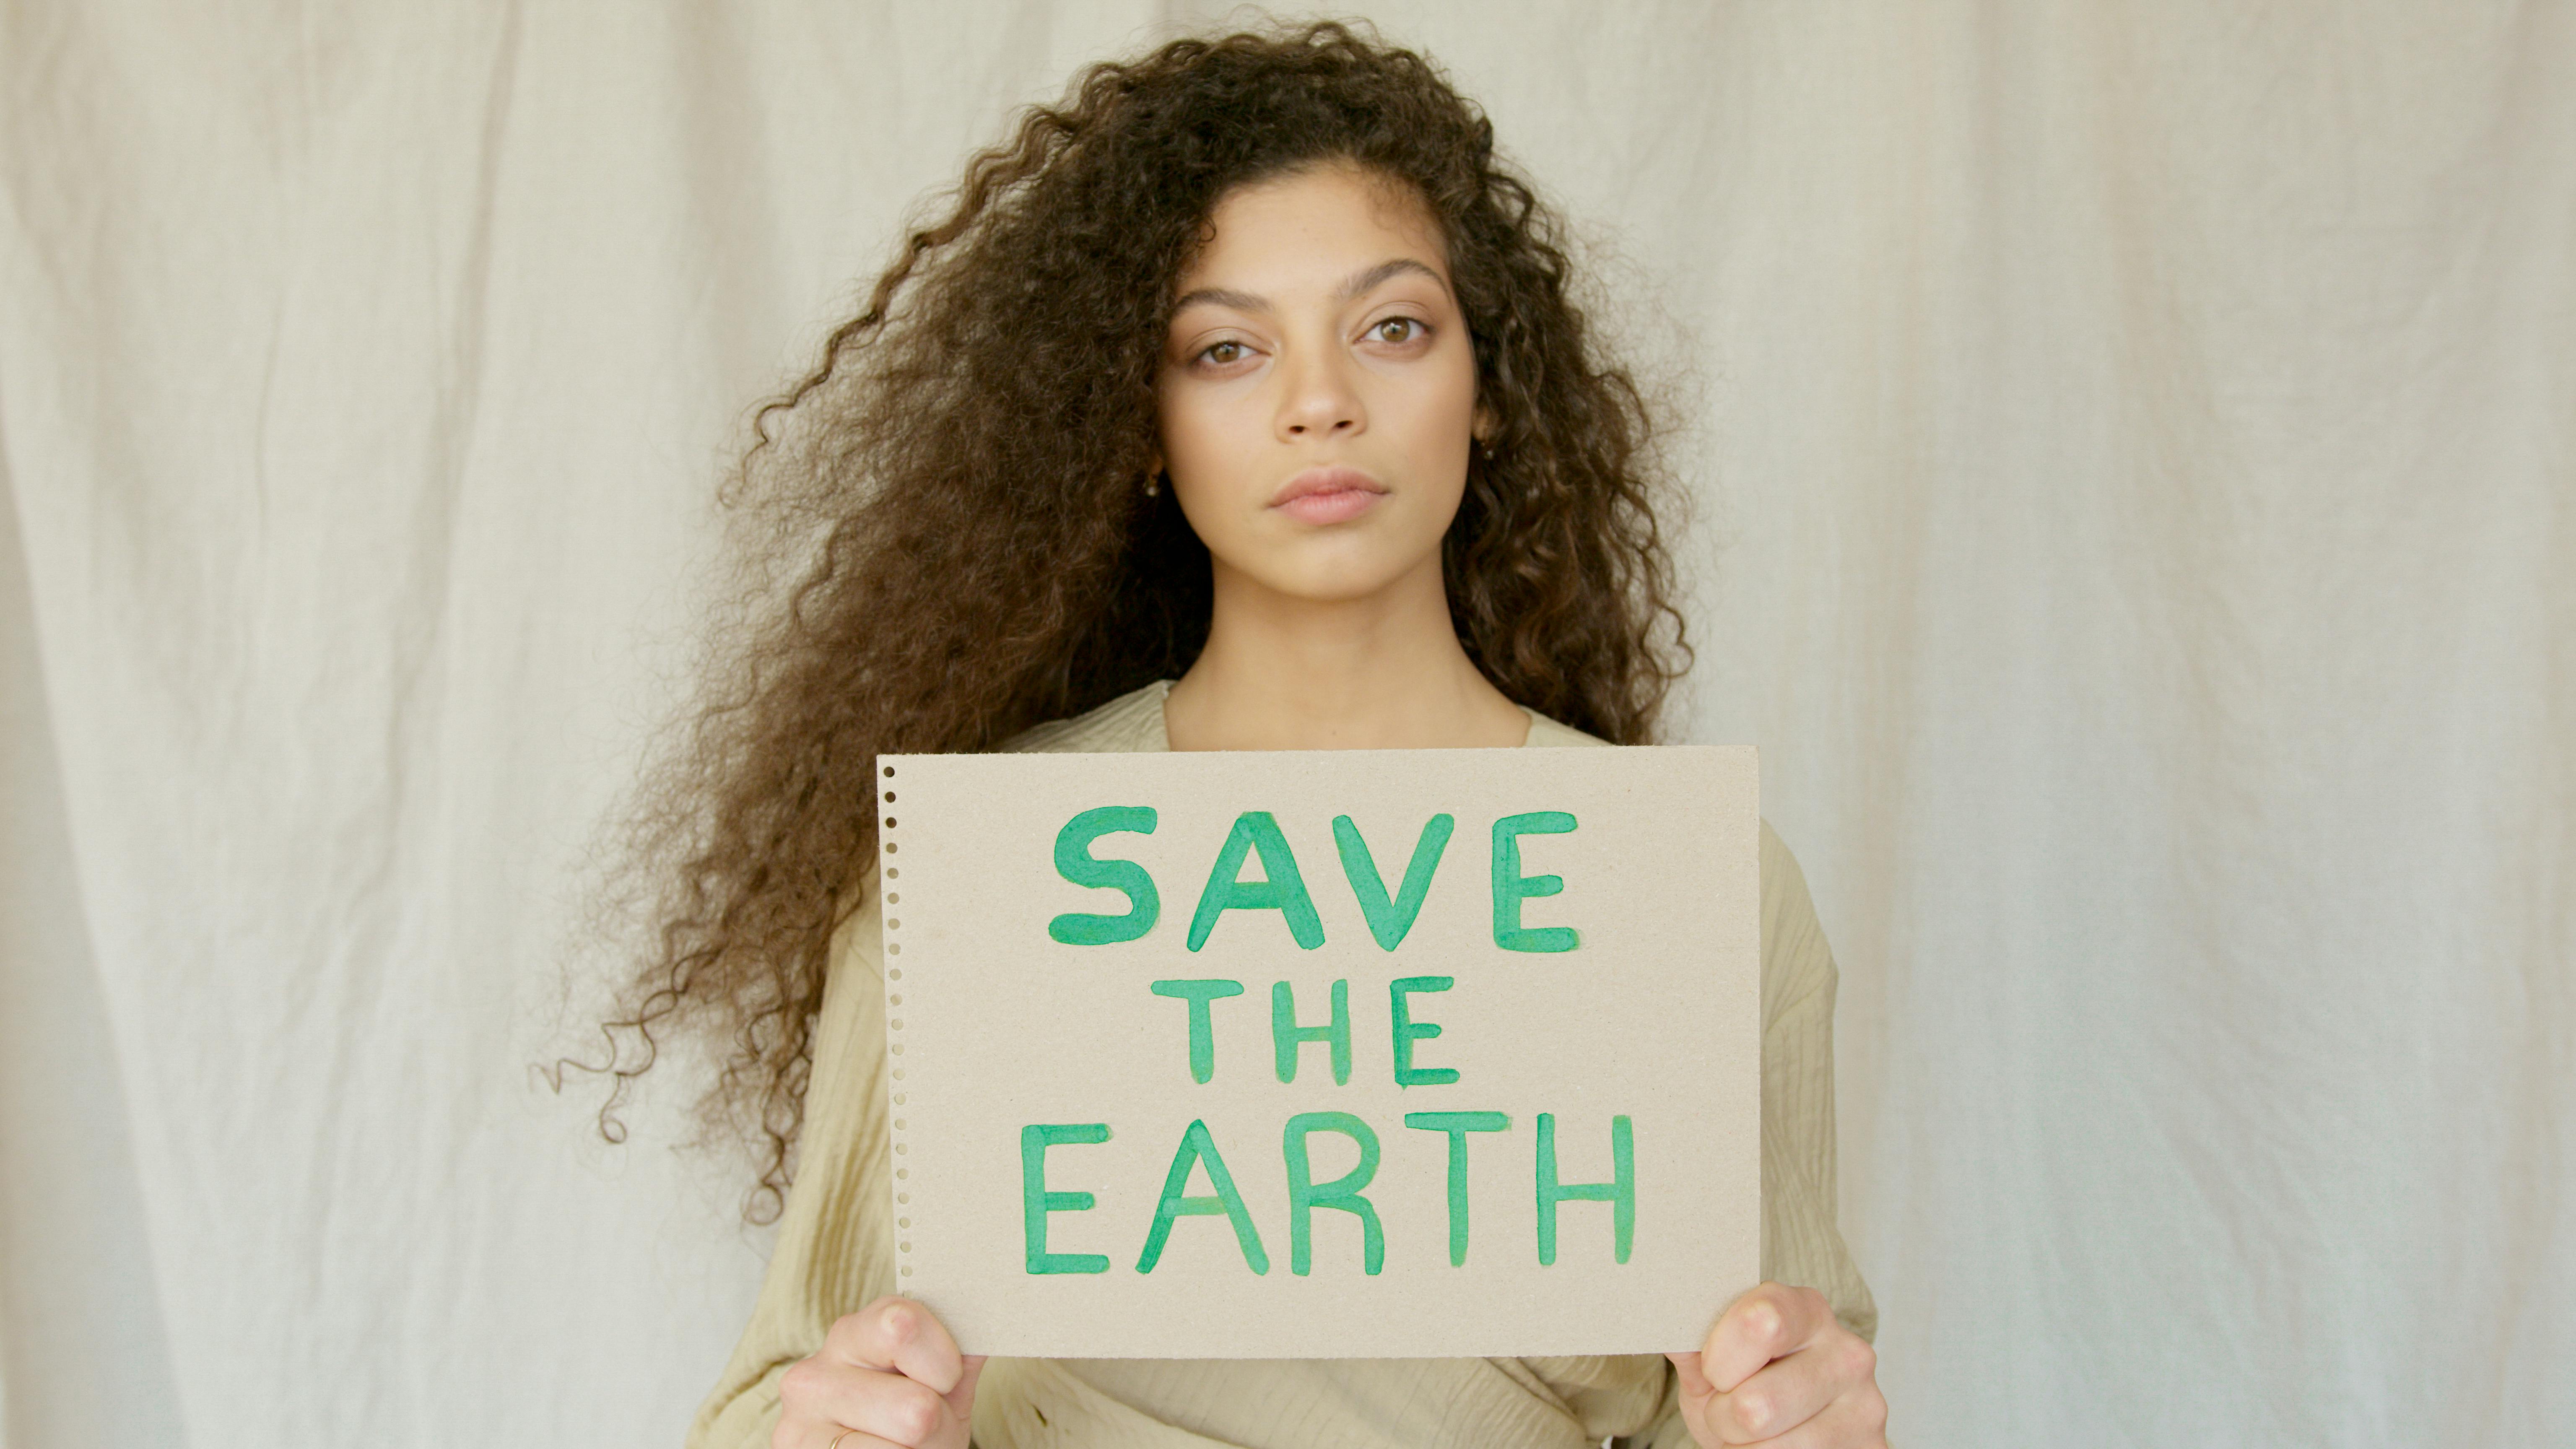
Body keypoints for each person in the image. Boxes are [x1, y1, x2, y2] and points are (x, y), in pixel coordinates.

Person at [590, 21, 1885, 1449]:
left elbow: (1769, 1382)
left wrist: (1794, 1422)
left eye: (1394, 328)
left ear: (1491, 389)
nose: (1320, 402)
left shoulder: (1700, 894)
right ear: (1140, 428)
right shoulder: (965, 886)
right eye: (1224, 349)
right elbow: (781, 1390)